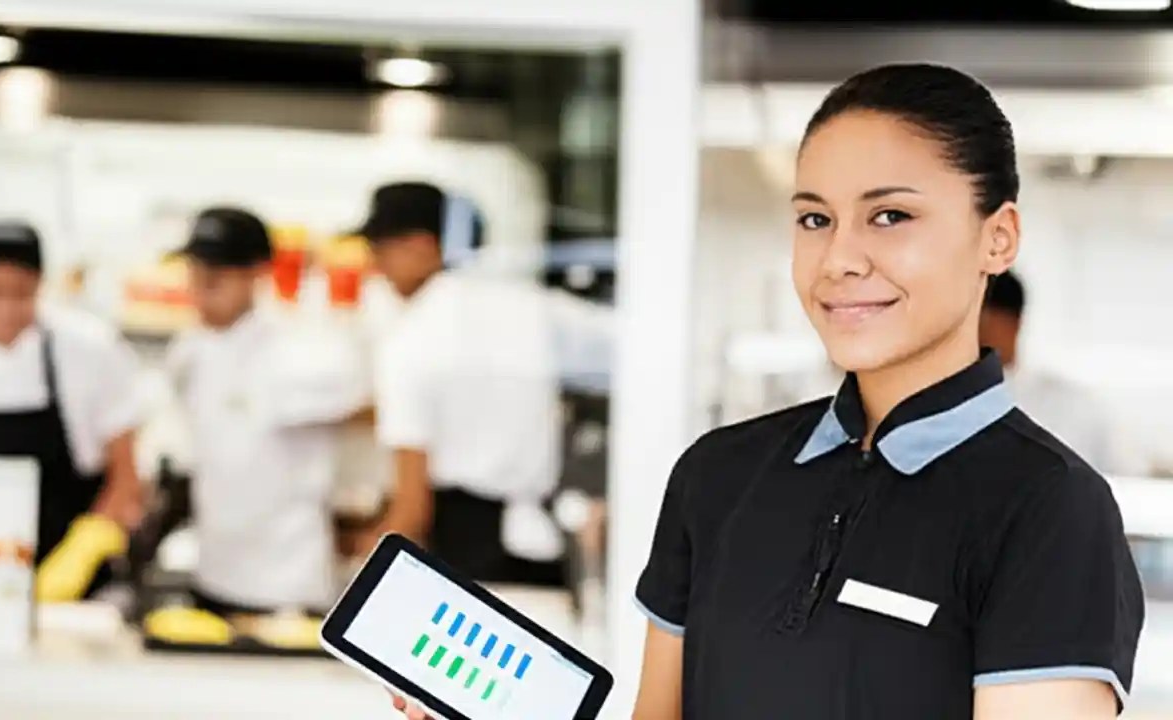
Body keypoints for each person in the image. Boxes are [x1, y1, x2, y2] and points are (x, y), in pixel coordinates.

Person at [395, 64, 1145, 719]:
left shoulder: (1049, 509)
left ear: (998, 238)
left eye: (890, 216)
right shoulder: (717, 476)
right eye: (815, 219)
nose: (839, 258)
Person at [352, 181, 612, 588]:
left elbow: (412, 507)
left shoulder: (412, 341)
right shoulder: (533, 307)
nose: (375, 267)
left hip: (462, 546)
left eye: (380, 251)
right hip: (540, 544)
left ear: (422, 246)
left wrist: (363, 567)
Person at [167, 207, 367, 615]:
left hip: (286, 585)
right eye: (196, 276)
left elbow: (367, 407)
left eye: (216, 279)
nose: (202, 292)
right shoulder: (189, 352)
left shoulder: (302, 351)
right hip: (212, 574)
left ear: (257, 272)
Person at [0, 220, 145, 606]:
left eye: (20, 293)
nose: (6, 308)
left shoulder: (92, 352)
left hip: (72, 586)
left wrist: (81, 553)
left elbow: (127, 482)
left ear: (40, 285)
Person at [979, 270, 1115, 471]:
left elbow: (1129, 474)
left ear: (1012, 323)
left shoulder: (1071, 403)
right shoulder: (940, 398)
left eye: (982, 321)